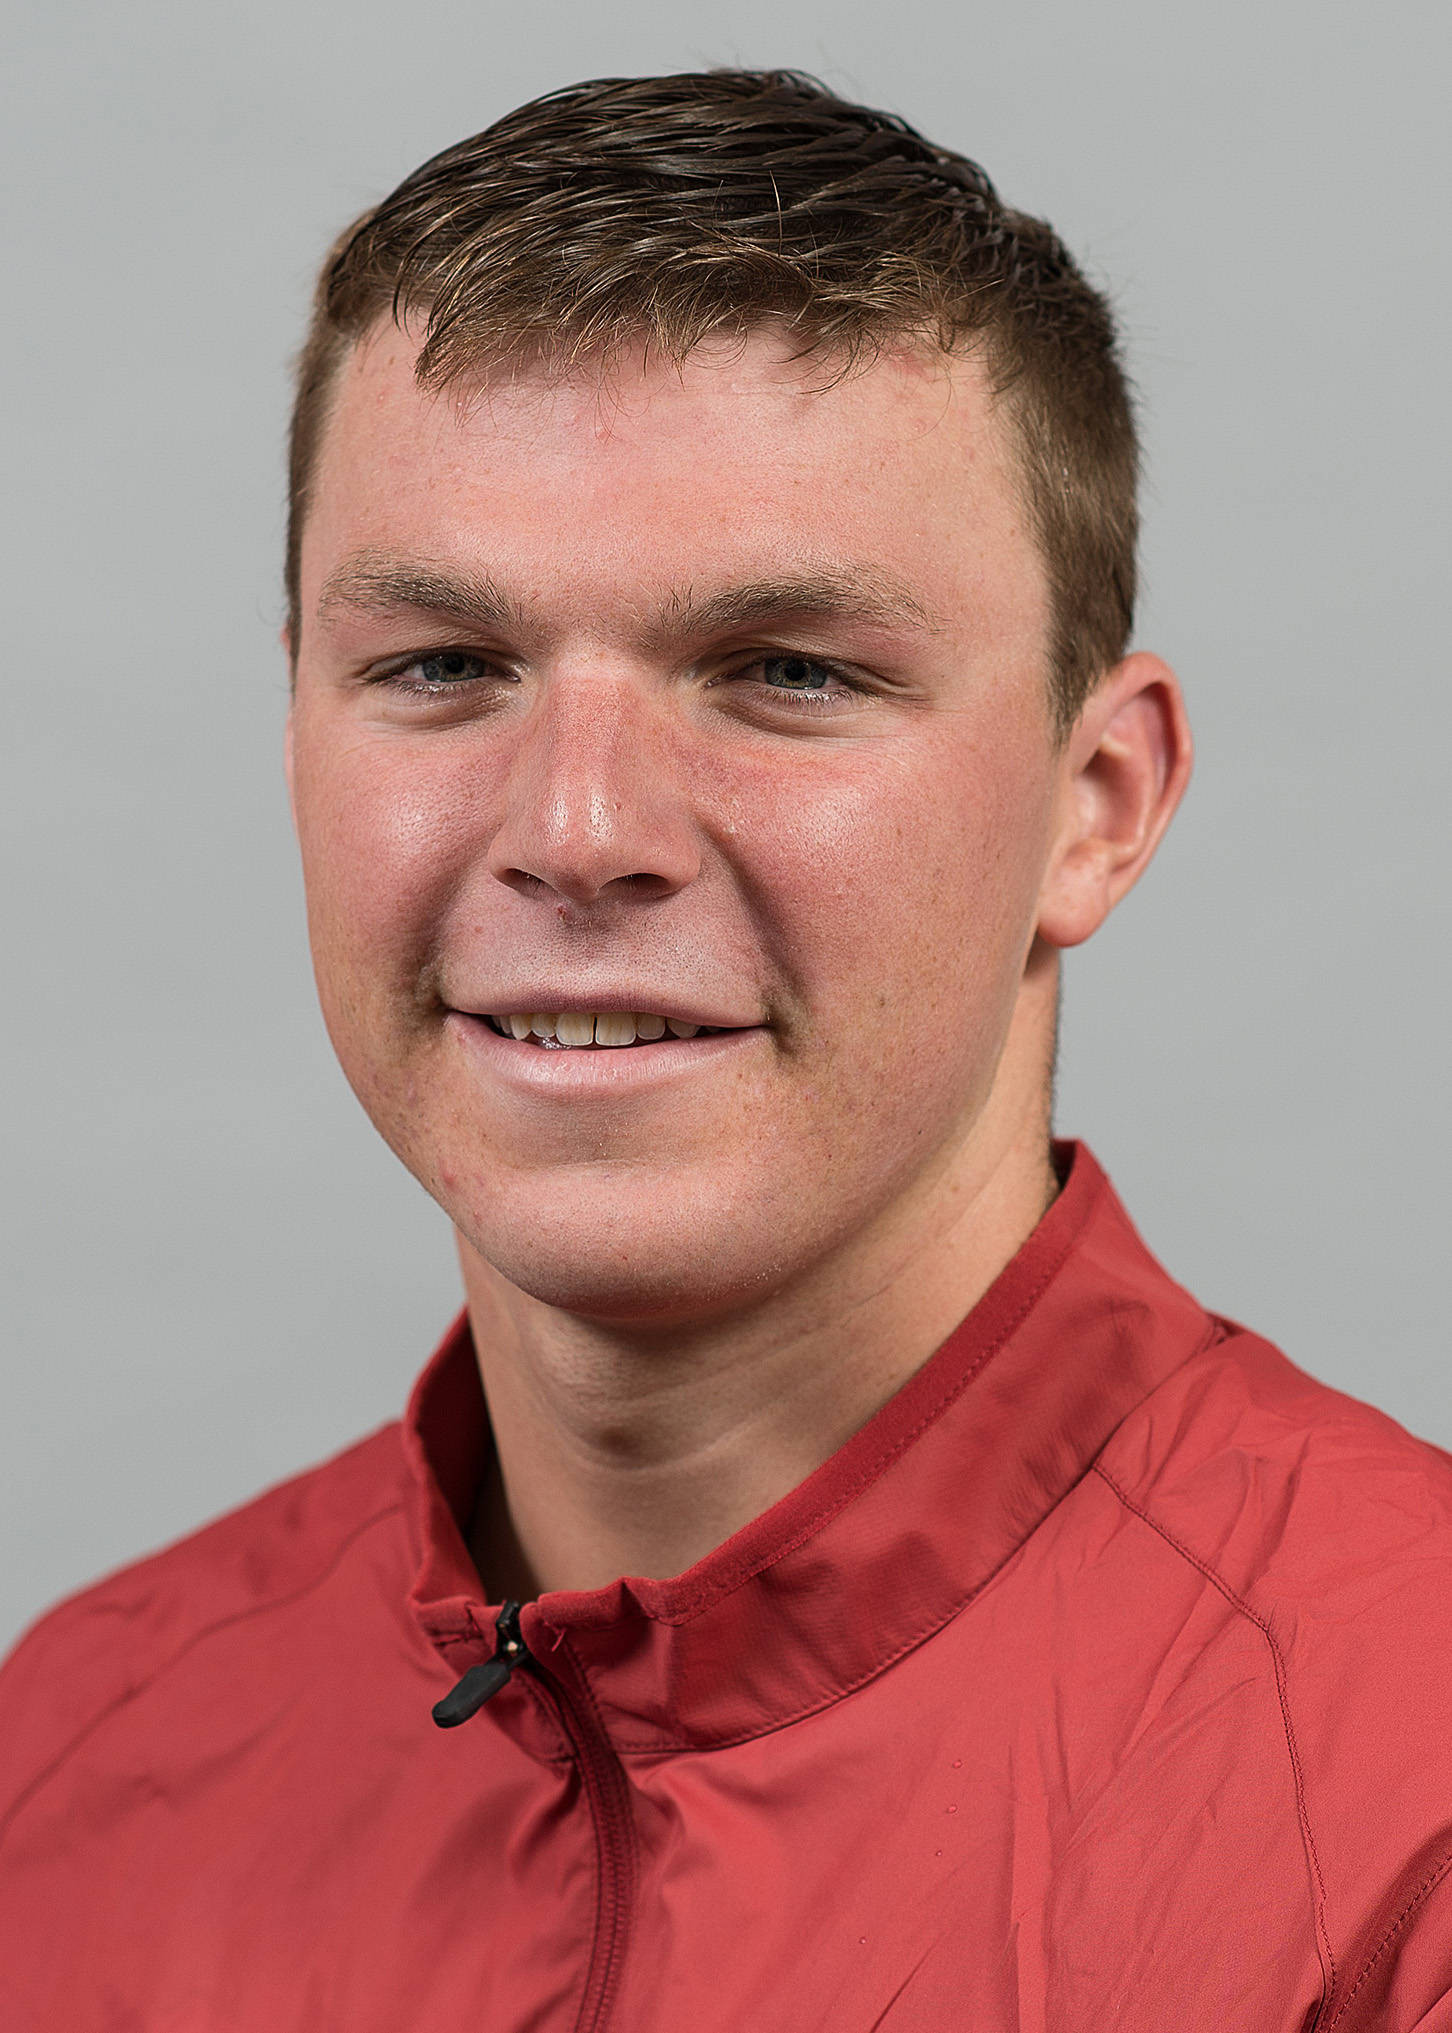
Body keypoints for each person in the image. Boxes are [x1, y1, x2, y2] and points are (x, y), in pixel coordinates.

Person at [1, 66, 1449, 2032]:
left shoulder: (1407, 1802)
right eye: (441, 669)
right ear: (294, 739)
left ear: (1098, 799)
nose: (579, 829)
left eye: (787, 674)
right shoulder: (73, 1761)